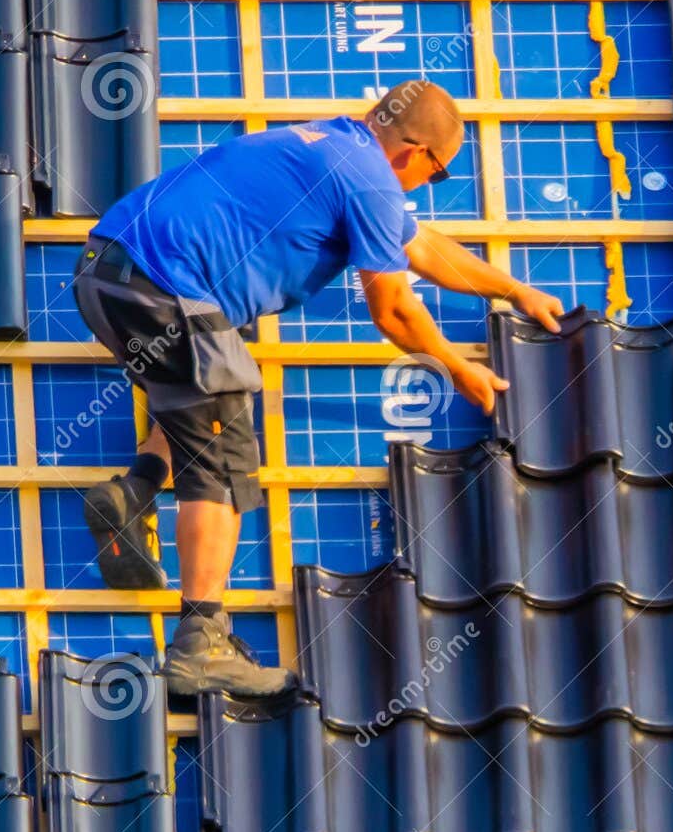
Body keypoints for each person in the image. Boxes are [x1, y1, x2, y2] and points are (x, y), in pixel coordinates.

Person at [73, 79, 564, 697]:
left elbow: (422, 246)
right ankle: (199, 644)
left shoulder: (334, 143)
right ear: (415, 154)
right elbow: (393, 312)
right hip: (165, 292)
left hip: (107, 273)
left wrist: (513, 290)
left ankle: (134, 491)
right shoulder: (368, 180)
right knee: (221, 463)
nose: (424, 188)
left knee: (202, 397)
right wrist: (456, 366)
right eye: (435, 175)